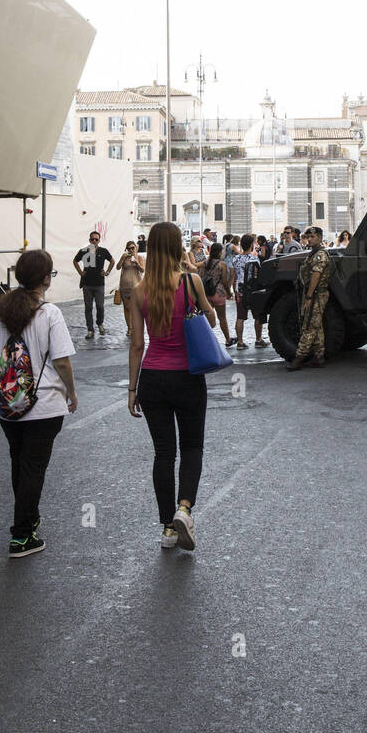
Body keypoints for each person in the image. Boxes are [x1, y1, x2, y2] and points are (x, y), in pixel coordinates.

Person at [127, 221, 216, 552]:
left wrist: (132, 390)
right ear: (178, 245)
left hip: (152, 378)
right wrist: (198, 304)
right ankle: (184, 509)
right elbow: (210, 321)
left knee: (163, 452)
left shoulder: (139, 290)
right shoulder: (190, 282)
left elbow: (137, 344)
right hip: (188, 377)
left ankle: (168, 528)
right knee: (192, 447)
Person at [0, 250, 77, 558]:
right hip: (45, 403)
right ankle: (22, 534)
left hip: (11, 403)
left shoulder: (4, 311)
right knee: (33, 468)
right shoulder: (49, 313)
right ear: (44, 278)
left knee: (20, 464)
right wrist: (72, 392)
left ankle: (28, 520)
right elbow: (62, 361)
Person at [287, 226, 333, 371]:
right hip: (314, 293)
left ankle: (299, 358)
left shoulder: (320, 254)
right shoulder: (314, 253)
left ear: (320, 237)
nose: (310, 239)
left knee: (309, 326)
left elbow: (316, 275)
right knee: (317, 326)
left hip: (316, 294)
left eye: (313, 237)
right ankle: (318, 357)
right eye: (308, 237)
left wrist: (309, 295)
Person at [73, 231, 115, 337]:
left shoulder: (103, 251)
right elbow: (75, 261)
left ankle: (100, 324)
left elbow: (112, 261)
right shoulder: (83, 251)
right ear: (89, 240)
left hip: (99, 284)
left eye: (96, 239)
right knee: (88, 307)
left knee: (100, 306)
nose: (94, 241)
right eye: (92, 239)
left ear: (99, 240)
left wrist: (107, 272)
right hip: (87, 284)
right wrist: (80, 273)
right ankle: (90, 330)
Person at [231, 233, 263, 349]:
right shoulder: (254, 259)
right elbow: (256, 275)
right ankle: (258, 340)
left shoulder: (236, 258)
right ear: (251, 245)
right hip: (252, 289)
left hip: (239, 289)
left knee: (240, 317)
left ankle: (240, 342)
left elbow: (235, 275)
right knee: (258, 315)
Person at [202, 242, 235, 346]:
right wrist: (229, 293)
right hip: (219, 293)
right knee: (222, 318)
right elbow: (224, 282)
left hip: (207, 293)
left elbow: (202, 277)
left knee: (206, 319)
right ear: (220, 252)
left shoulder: (205, 263)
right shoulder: (222, 264)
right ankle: (228, 340)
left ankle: (205, 341)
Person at [116, 241, 145, 335]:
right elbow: (118, 267)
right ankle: (129, 328)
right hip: (124, 286)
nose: (131, 250)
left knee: (135, 308)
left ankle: (136, 328)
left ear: (136, 247)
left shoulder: (140, 258)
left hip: (136, 287)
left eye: (132, 248)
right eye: (129, 248)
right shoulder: (125, 258)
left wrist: (137, 262)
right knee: (127, 308)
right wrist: (122, 259)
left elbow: (143, 269)